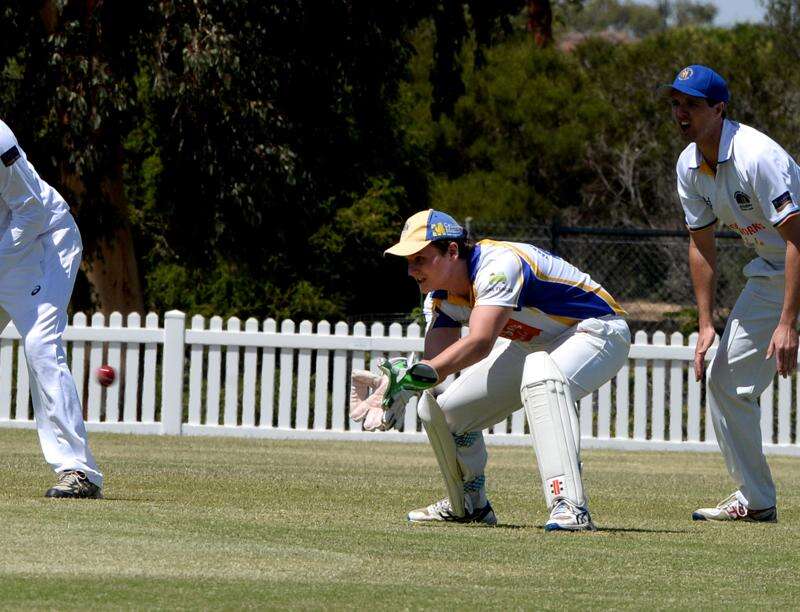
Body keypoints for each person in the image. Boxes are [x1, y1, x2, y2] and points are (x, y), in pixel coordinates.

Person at [350, 209, 630, 530]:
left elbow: (481, 342)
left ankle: (569, 506)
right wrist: (398, 386)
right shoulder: (439, 298)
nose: (411, 271)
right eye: (409, 261)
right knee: (449, 413)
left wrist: (412, 379)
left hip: (597, 331)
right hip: (534, 346)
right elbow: (436, 364)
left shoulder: (498, 264)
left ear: (452, 251)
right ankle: (471, 506)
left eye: (420, 259)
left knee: (541, 376)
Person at [668, 64, 800, 522]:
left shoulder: (757, 156)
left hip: (795, 255)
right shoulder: (689, 166)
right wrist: (706, 324)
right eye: (677, 103)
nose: (682, 113)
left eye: (693, 104)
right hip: (772, 270)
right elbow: (700, 244)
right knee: (725, 381)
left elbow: (798, 239)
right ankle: (758, 499)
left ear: (719, 108)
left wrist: (787, 323)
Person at [0, 119, 103, 498]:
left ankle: (80, 471)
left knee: (40, 346)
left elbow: (32, 213)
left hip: (46, 241)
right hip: (5, 248)